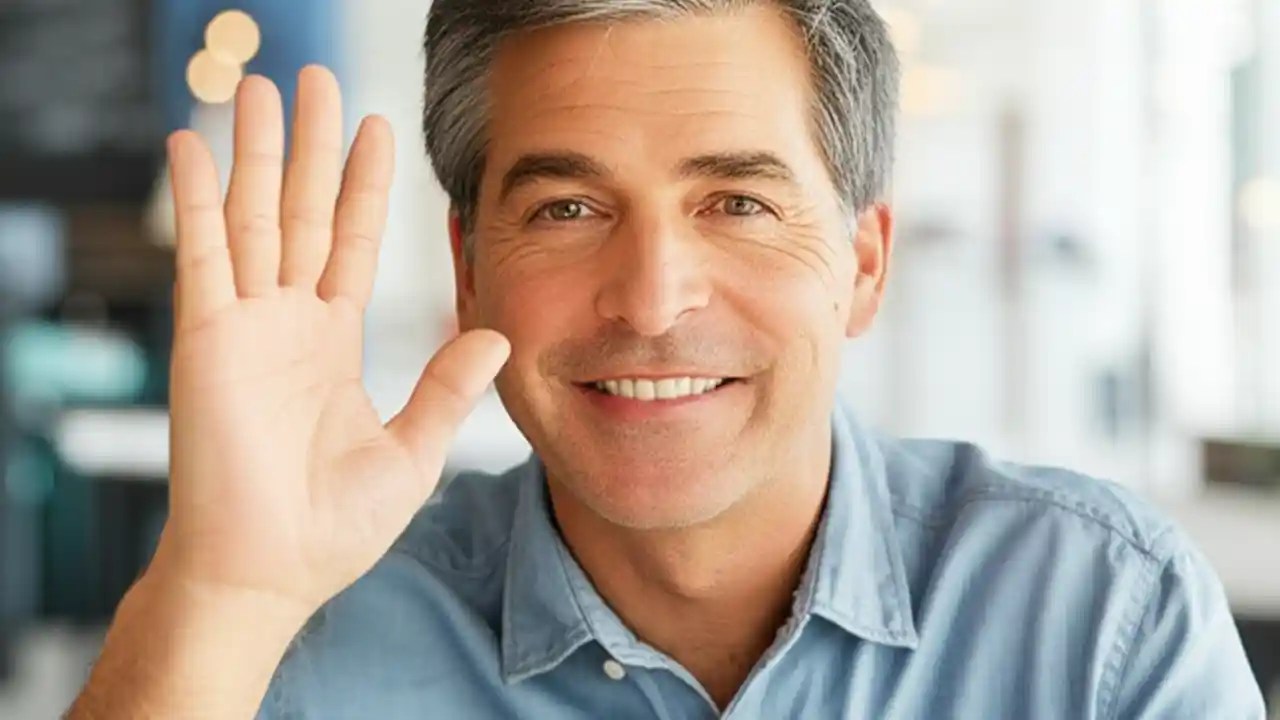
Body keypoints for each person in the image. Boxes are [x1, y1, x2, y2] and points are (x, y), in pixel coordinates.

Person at [70, 1, 1266, 718]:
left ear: (861, 261)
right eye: (566, 211)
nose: (648, 302)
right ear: (467, 270)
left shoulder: (1100, 618)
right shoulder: (311, 646)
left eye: (737, 203)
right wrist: (218, 598)